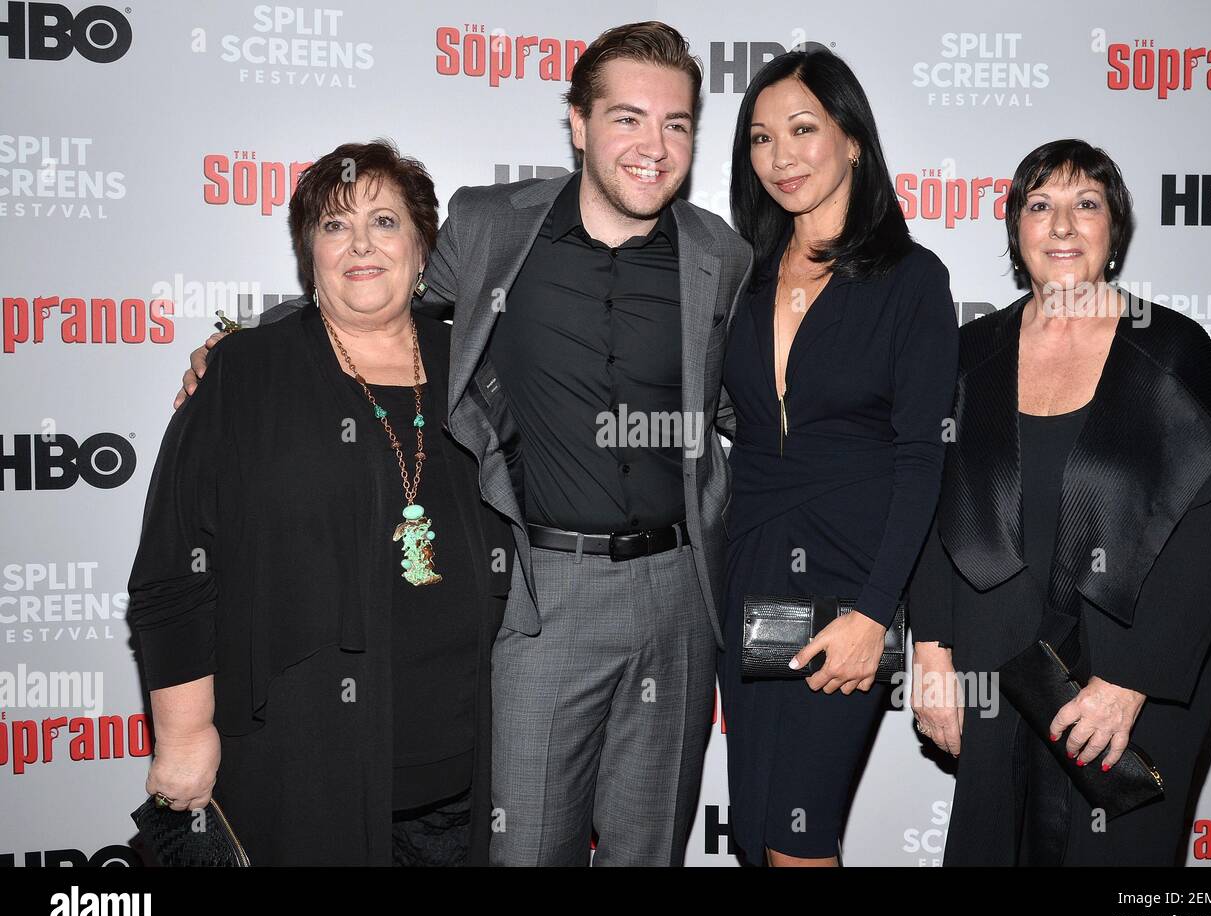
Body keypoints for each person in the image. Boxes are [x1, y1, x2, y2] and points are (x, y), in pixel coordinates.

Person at [177, 22, 753, 866]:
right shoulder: (493, 227)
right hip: (542, 591)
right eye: (627, 118)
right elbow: (380, 290)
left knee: (651, 848)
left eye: (676, 124)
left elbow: (750, 405)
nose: (653, 146)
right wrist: (244, 343)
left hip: (679, 592)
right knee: (526, 848)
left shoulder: (719, 254)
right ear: (578, 123)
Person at [130, 140, 512, 866]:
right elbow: (174, 570)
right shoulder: (247, 372)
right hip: (303, 766)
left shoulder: (475, 368)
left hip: (465, 774)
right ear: (310, 255)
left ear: (423, 249)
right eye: (335, 225)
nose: (361, 244)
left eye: (385, 222)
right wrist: (182, 736)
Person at [909, 139, 1211, 865]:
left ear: (1113, 229)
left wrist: (1130, 680)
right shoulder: (971, 354)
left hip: (1131, 685)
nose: (1062, 226)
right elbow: (935, 510)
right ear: (1016, 231)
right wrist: (933, 655)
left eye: (1085, 204)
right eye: (1041, 206)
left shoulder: (1172, 350)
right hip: (995, 669)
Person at [718, 49, 958, 866]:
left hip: (852, 585)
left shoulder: (911, 279)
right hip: (749, 567)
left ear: (852, 139)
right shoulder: (742, 276)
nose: (780, 156)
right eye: (760, 138)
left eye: (802, 129)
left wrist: (875, 614)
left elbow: (923, 461)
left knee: (799, 835)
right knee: (758, 832)